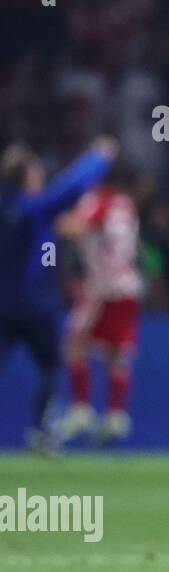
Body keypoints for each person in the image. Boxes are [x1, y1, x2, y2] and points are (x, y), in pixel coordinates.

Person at [0, 136, 117, 452]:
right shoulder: (35, 207)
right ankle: (40, 430)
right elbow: (68, 190)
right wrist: (99, 157)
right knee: (51, 368)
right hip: (35, 304)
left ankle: (41, 430)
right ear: (27, 177)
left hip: (3, 306)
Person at [56, 164, 144, 444]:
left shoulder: (98, 202)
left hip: (103, 288)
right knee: (115, 353)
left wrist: (50, 215)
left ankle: (81, 408)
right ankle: (117, 415)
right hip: (128, 285)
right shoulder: (126, 205)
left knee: (74, 342)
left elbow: (77, 226)